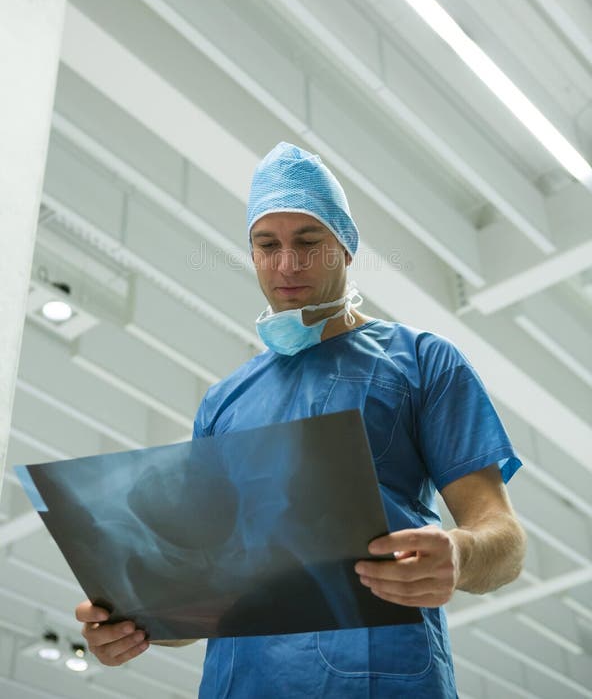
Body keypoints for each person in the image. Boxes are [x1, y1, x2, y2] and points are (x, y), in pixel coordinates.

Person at [76, 142, 526, 697]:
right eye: (268, 245)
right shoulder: (224, 403)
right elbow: (199, 589)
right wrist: (131, 623)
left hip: (380, 677)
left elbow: (503, 541)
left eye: (308, 243)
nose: (286, 264)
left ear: (345, 246)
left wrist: (458, 554)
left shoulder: (421, 362)